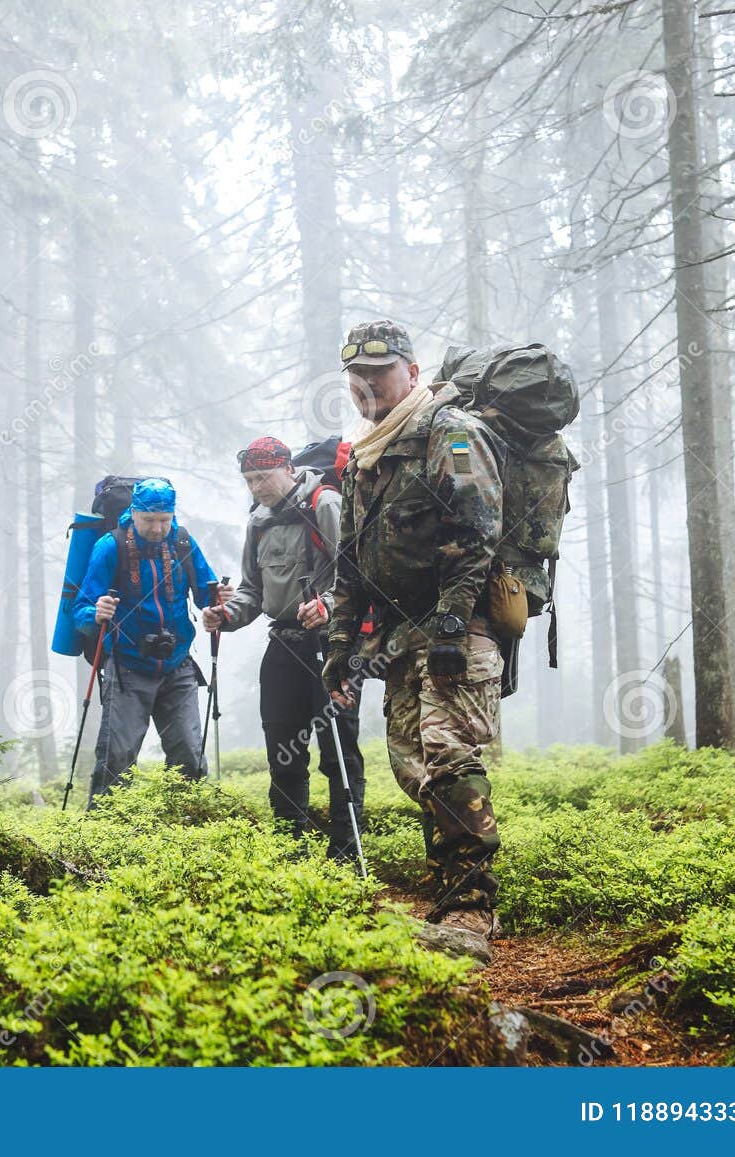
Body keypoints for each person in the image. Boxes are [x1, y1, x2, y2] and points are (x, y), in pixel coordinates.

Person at [322, 320, 506, 959]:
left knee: (447, 754)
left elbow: (478, 530)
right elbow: (351, 558)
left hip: (459, 628)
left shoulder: (448, 435)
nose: (368, 386)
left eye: (380, 373)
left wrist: (455, 622)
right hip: (401, 635)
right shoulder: (368, 456)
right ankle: (450, 891)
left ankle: (470, 911)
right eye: (357, 377)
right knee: (414, 764)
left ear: (412, 372)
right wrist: (342, 641)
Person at [204, 436, 365, 862]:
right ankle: (289, 849)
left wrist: (328, 606)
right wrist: (226, 614)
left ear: (288, 469)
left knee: (337, 750)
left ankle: (346, 852)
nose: (256, 487)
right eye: (250, 479)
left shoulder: (325, 504)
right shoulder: (258, 520)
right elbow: (252, 591)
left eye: (264, 476)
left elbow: (356, 572)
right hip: (284, 640)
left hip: (334, 642)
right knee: (282, 748)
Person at [73, 477, 223, 805]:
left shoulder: (182, 542)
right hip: (127, 666)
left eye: (164, 520)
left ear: (172, 516)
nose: (157, 528)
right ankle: (102, 834)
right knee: (116, 758)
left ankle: (189, 827)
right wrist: (95, 612)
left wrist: (216, 604)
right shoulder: (109, 547)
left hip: (177, 663)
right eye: (149, 520)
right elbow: (80, 609)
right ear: (134, 513)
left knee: (188, 754)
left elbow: (205, 594)